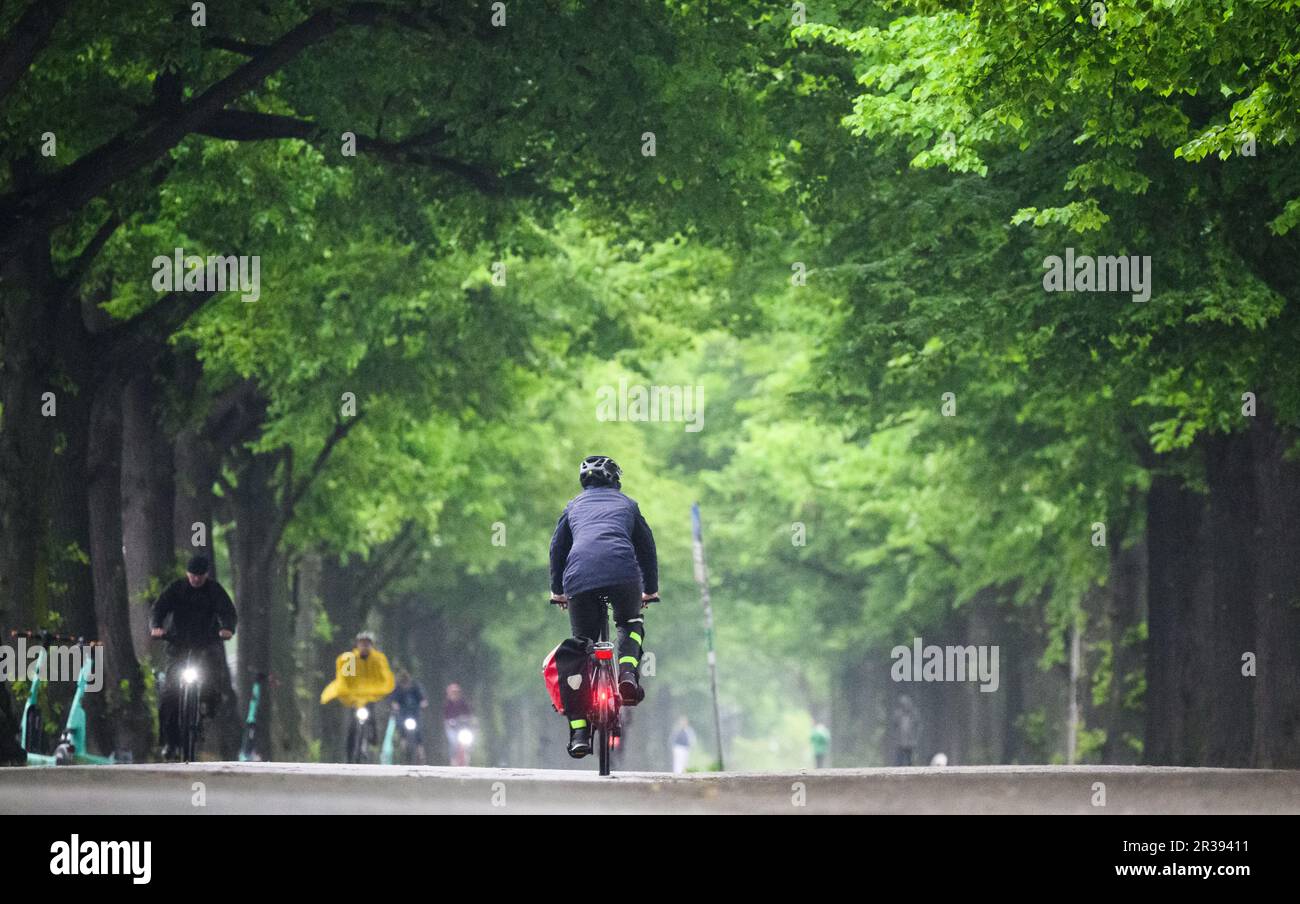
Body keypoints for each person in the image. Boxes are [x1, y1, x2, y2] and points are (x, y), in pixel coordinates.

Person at [549, 455, 659, 758]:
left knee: (579, 648)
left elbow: (557, 549)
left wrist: (557, 590)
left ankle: (580, 730)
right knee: (630, 623)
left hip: (579, 578)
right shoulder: (628, 505)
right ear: (616, 480)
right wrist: (650, 588)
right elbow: (646, 548)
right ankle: (626, 675)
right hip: (624, 575)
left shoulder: (572, 506)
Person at [149, 555, 237, 761]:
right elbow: (158, 608)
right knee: (169, 693)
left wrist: (227, 628)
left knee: (212, 681)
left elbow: (228, 612)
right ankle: (170, 742)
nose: (196, 579)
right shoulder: (176, 589)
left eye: (200, 576)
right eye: (193, 575)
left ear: (206, 575)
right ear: (187, 574)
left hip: (205, 645)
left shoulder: (214, 591)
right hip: (177, 646)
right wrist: (156, 627)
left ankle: (206, 709)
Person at [320, 632, 395, 762]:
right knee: (352, 726)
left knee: (371, 717)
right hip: (354, 698)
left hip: (370, 696)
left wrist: (382, 691)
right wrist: (346, 693)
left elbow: (385, 678)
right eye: (362, 644)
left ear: (372, 645)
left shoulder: (378, 659)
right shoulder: (350, 659)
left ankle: (373, 736)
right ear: (357, 645)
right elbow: (345, 679)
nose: (365, 647)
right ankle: (350, 757)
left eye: (367, 644)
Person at [389, 669, 428, 764]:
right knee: (400, 728)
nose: (405, 685)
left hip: (414, 714)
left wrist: (423, 703)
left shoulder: (415, 687)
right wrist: (394, 705)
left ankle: (420, 751)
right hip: (403, 715)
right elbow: (393, 700)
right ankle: (402, 745)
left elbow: (422, 698)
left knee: (419, 732)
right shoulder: (398, 689)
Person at [443, 683, 474, 766]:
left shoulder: (463, 703)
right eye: (452, 693)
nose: (454, 695)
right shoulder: (447, 705)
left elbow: (469, 715)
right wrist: (449, 723)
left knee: (468, 741)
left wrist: (468, 720)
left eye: (456, 693)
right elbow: (446, 718)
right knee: (453, 743)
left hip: (463, 728)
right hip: (452, 728)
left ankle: (467, 758)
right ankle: (453, 760)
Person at [892, 695, 920, 767]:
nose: (905, 706)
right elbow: (895, 727)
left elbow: (917, 727)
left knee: (909, 760)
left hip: (910, 741)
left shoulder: (913, 714)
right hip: (900, 741)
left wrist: (915, 739)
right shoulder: (898, 714)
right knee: (899, 760)